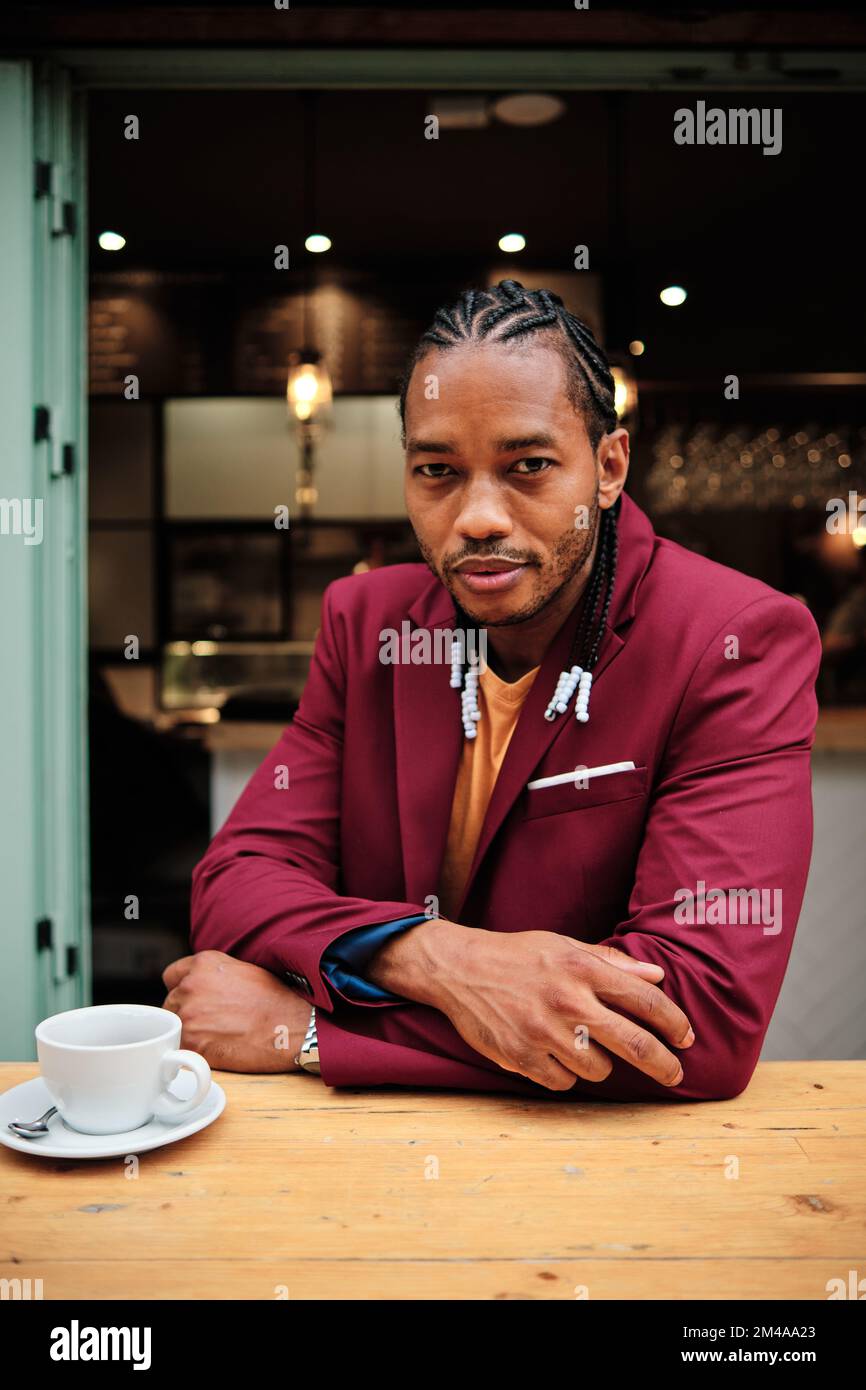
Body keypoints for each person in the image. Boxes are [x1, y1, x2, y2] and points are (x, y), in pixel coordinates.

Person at [163, 279, 821, 1102]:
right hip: (368, 1165)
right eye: (437, 470)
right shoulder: (369, 625)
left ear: (609, 466)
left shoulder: (734, 639)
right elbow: (239, 878)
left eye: (529, 466)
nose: (477, 517)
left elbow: (697, 1022)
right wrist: (441, 959)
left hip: (608, 1176)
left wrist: (303, 1031)